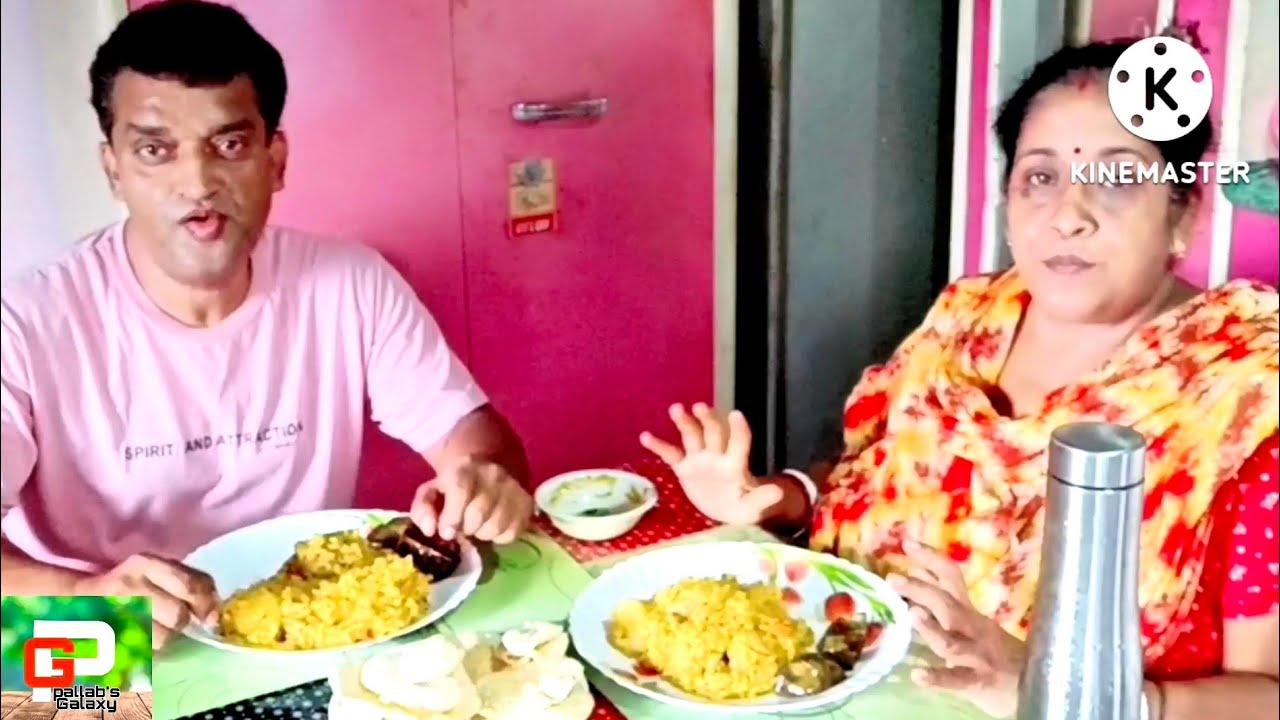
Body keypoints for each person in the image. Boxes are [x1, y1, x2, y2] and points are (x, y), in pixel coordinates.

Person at [641, 37, 1279, 719]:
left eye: (1119, 179)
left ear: (1183, 214)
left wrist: (1074, 695)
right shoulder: (966, 319)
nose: (1068, 215)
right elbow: (869, 478)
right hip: (832, 675)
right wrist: (772, 499)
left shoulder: (1245, 395)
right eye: (1040, 177)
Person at [0, 0, 534, 649]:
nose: (197, 182)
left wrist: (480, 480)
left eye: (228, 145)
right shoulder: (26, 320)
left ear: (275, 159)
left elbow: (478, 443)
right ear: (114, 168)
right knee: (55, 710)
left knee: (496, 679)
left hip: (307, 621)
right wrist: (78, 597)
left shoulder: (352, 283)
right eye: (154, 150)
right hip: (101, 632)